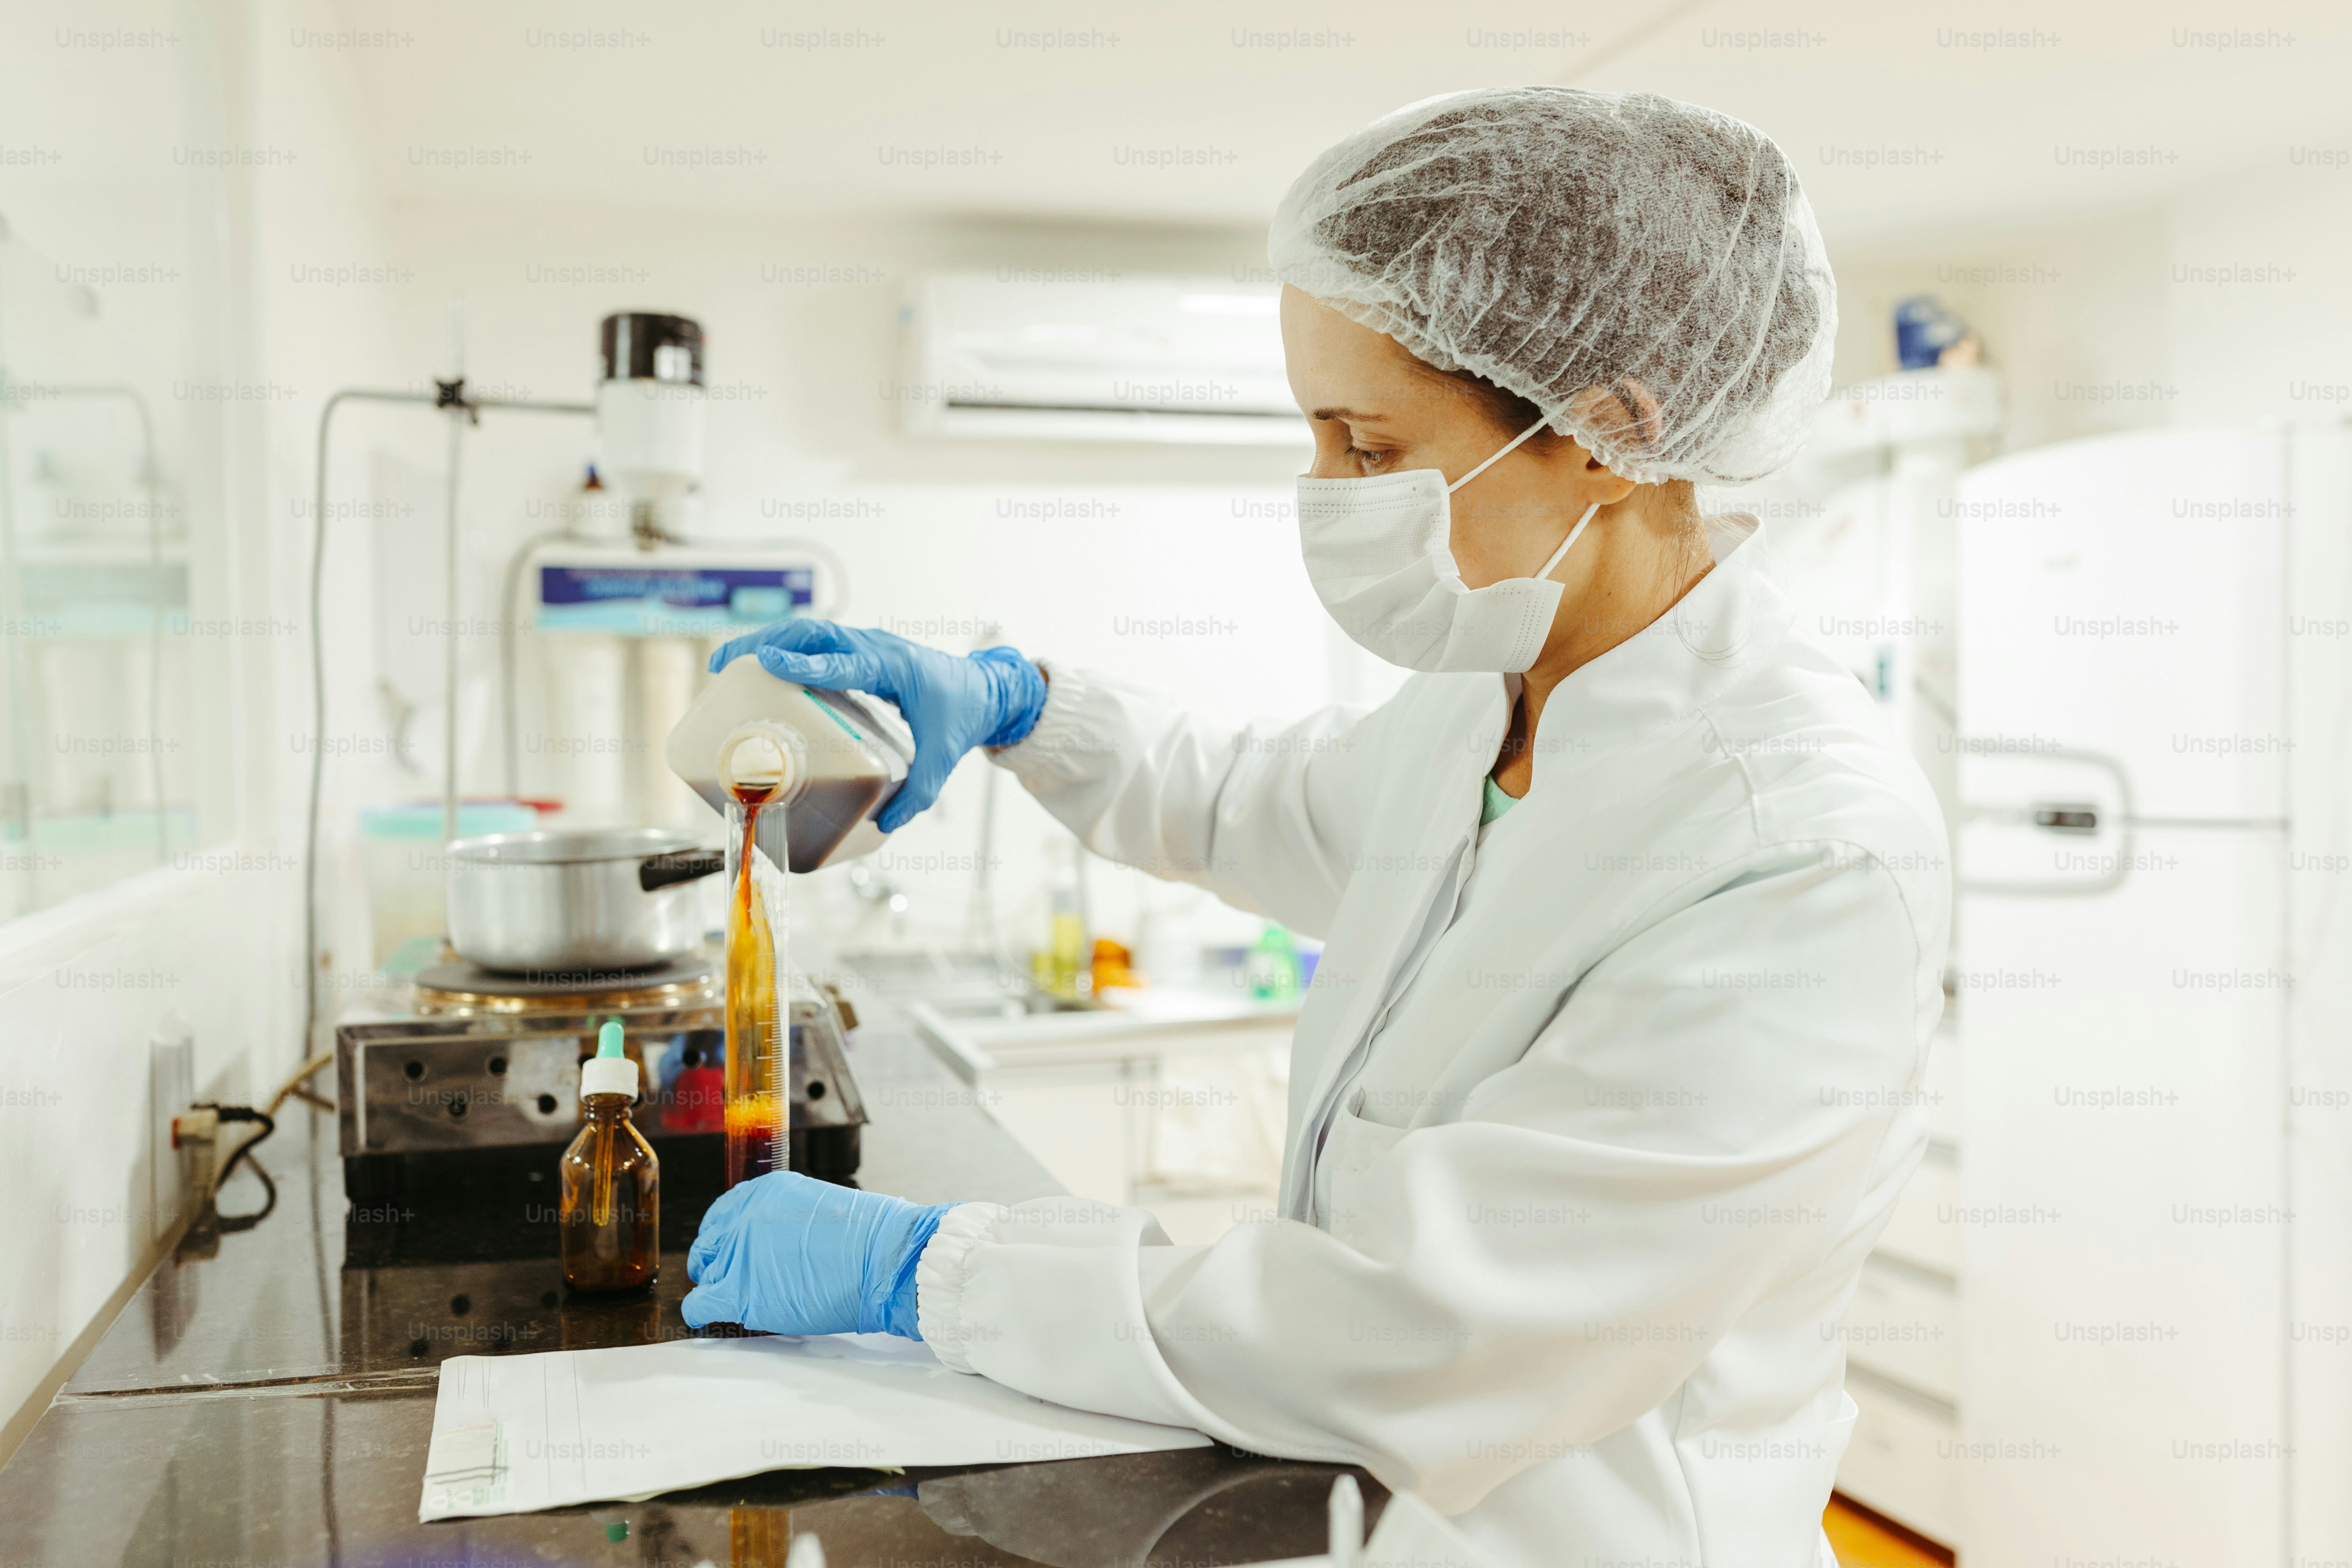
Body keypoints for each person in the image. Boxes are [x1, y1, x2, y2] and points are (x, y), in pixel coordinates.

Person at [683, 86, 1948, 1568]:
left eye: (1363, 442)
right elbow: (1252, 800)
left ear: (1608, 432)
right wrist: (1021, 704)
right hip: (1372, 1521)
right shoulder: (1491, 700)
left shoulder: (1798, 844)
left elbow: (1436, 1326)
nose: (1324, 494)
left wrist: (932, 1271)